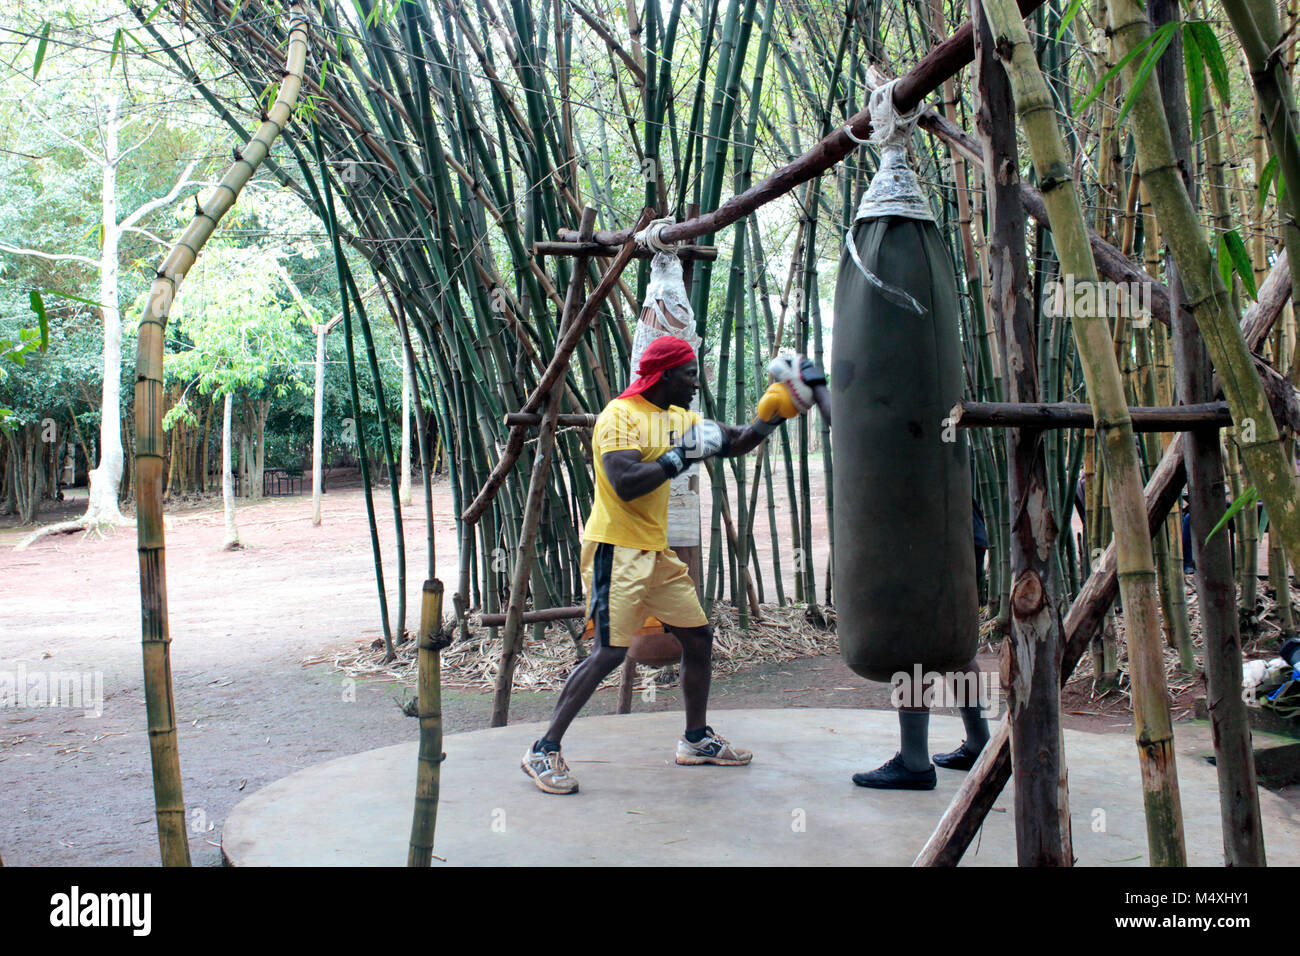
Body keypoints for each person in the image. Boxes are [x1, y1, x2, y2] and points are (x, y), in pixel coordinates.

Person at [522, 335, 822, 794]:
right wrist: (682, 454)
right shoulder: (619, 416)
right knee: (610, 651)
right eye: (688, 375)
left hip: (656, 552)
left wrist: (775, 411)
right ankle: (543, 748)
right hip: (615, 549)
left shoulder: (681, 418)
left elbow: (737, 441)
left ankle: (696, 739)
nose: (695, 383)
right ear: (663, 377)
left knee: (698, 637)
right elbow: (625, 482)